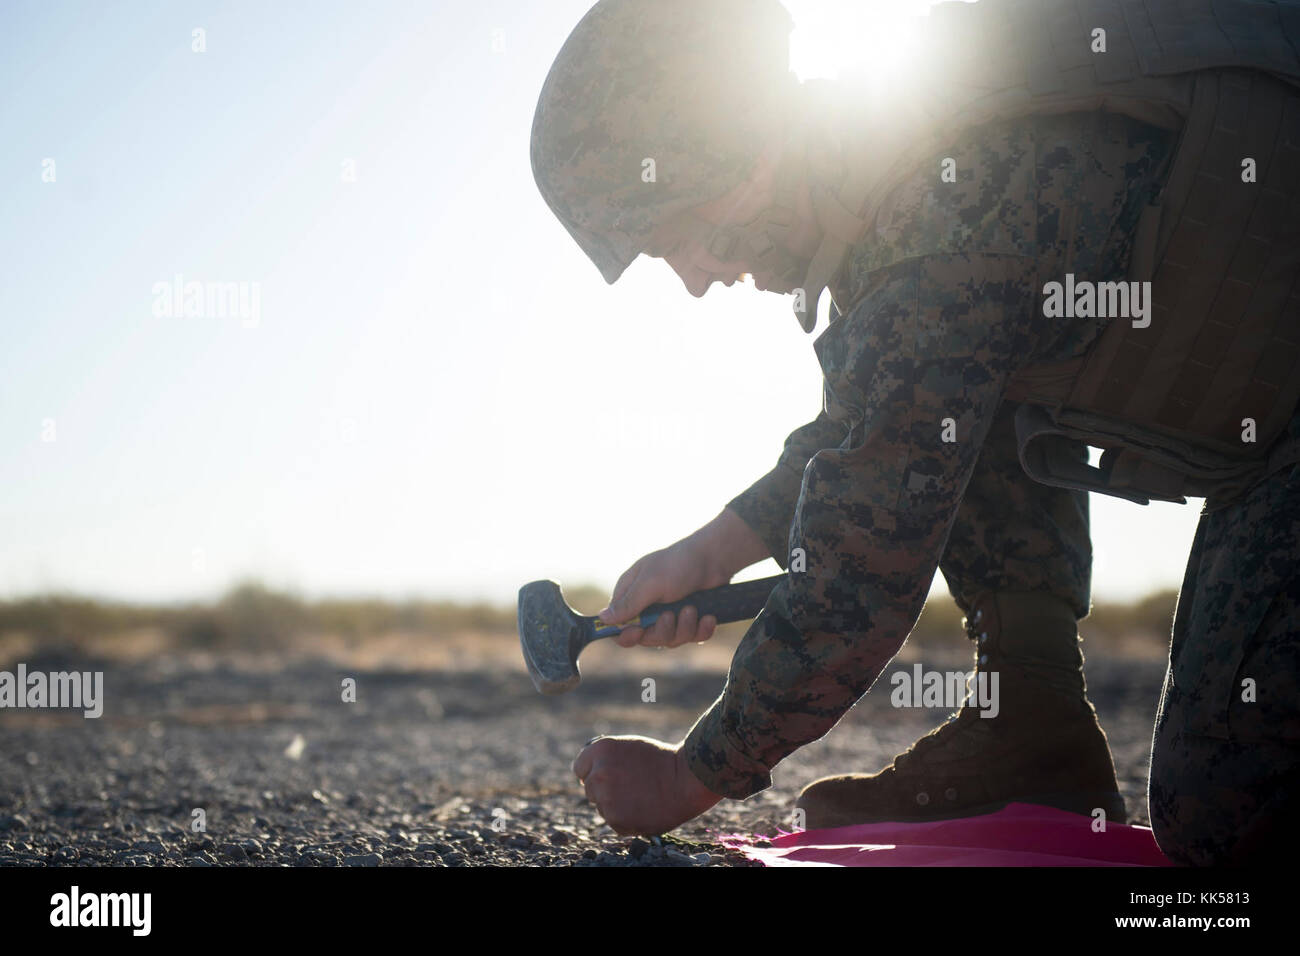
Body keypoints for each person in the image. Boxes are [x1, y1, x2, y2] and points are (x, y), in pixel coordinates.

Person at [531, 0, 1300, 864]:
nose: (697, 284)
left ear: (729, 156)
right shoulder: (905, 163)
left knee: (1229, 814)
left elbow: (859, 573)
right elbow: (878, 424)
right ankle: (1032, 728)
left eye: (675, 238)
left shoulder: (931, 228)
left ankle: (1036, 724)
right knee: (966, 410)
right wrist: (710, 554)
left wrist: (692, 777)